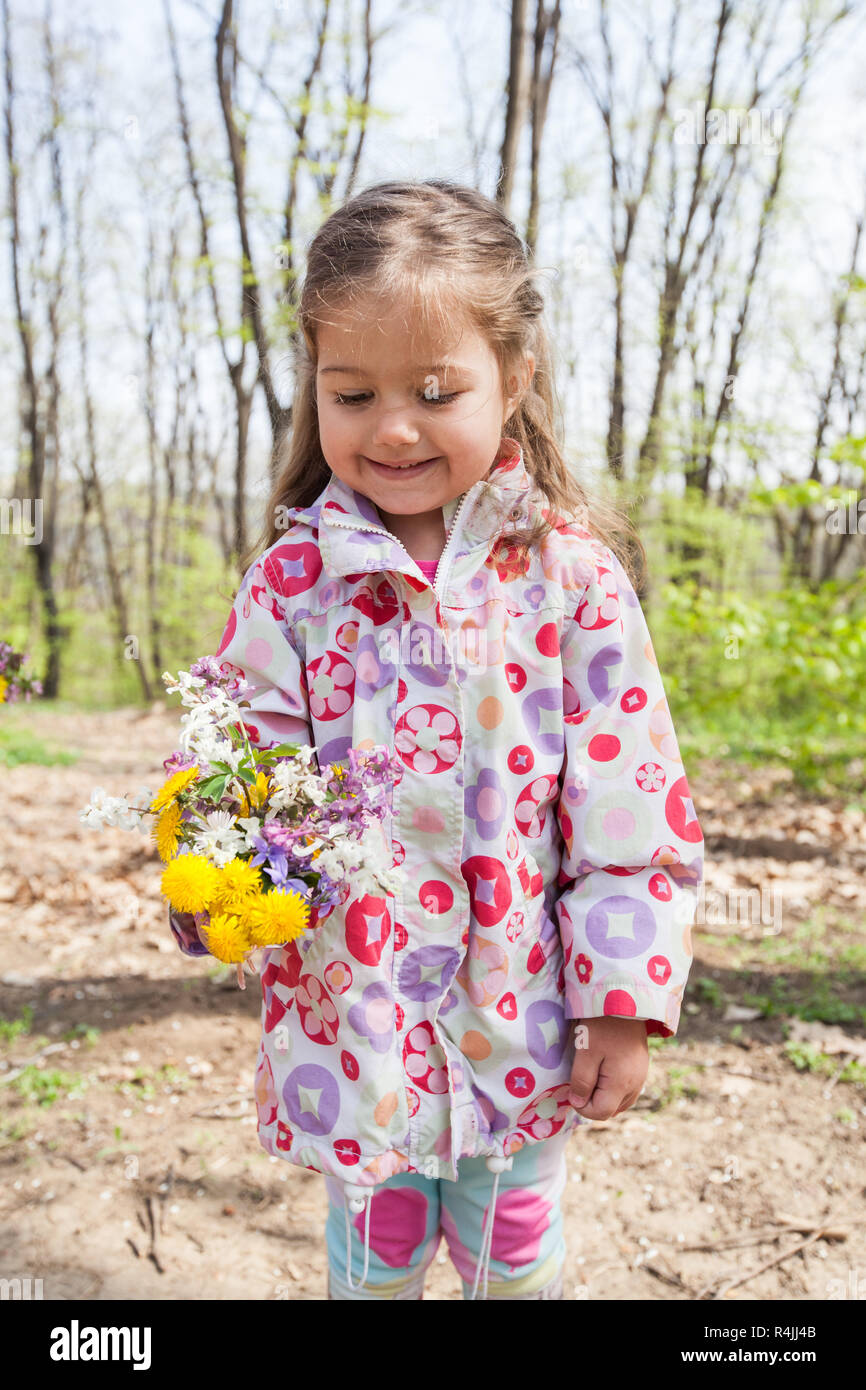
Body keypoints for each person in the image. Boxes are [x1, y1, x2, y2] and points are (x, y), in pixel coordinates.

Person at [172, 179, 704, 1300]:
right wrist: (213, 868)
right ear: (312, 386)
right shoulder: (293, 583)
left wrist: (621, 995)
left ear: (512, 379)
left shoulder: (569, 581)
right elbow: (237, 760)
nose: (392, 426)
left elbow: (629, 800)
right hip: (353, 1027)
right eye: (352, 392)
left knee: (516, 1260)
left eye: (434, 388)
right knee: (371, 1264)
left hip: (523, 1025)